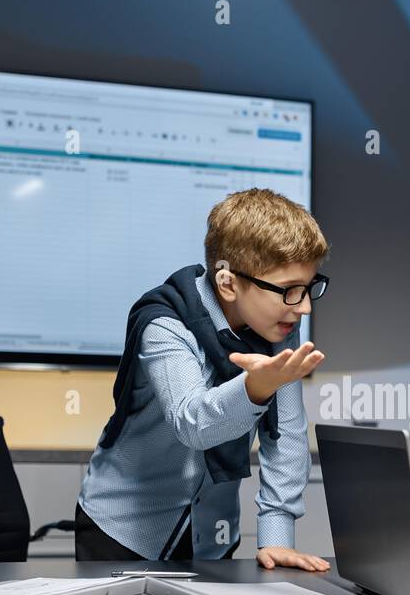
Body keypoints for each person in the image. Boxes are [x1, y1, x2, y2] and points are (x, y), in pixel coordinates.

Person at [77, 188, 331, 572]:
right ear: (228, 283)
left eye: (308, 288)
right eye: (290, 291)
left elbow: (287, 437)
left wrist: (276, 537)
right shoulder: (165, 324)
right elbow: (191, 423)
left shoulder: (277, 322)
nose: (305, 306)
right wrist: (255, 388)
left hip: (211, 535)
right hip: (124, 531)